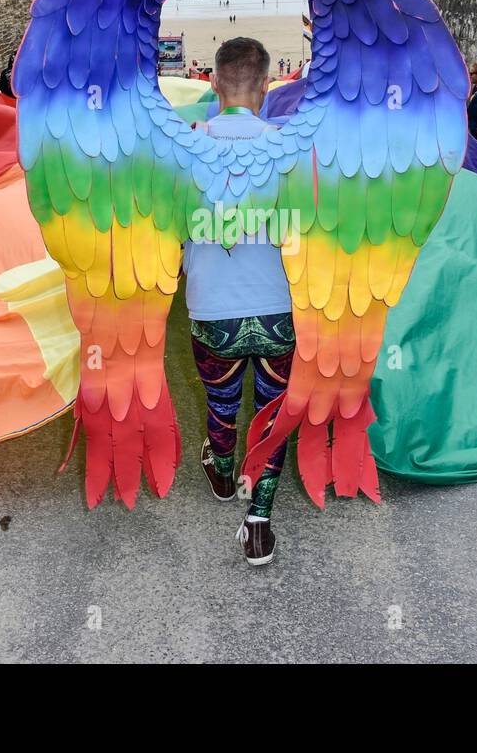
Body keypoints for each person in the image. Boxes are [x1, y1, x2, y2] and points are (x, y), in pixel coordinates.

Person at [183, 36, 294, 567]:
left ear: (212, 83)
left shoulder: (183, 146)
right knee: (274, 412)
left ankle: (224, 475)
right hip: (280, 312)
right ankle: (259, 522)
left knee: (222, 405)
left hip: (212, 311)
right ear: (267, 87)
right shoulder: (291, 148)